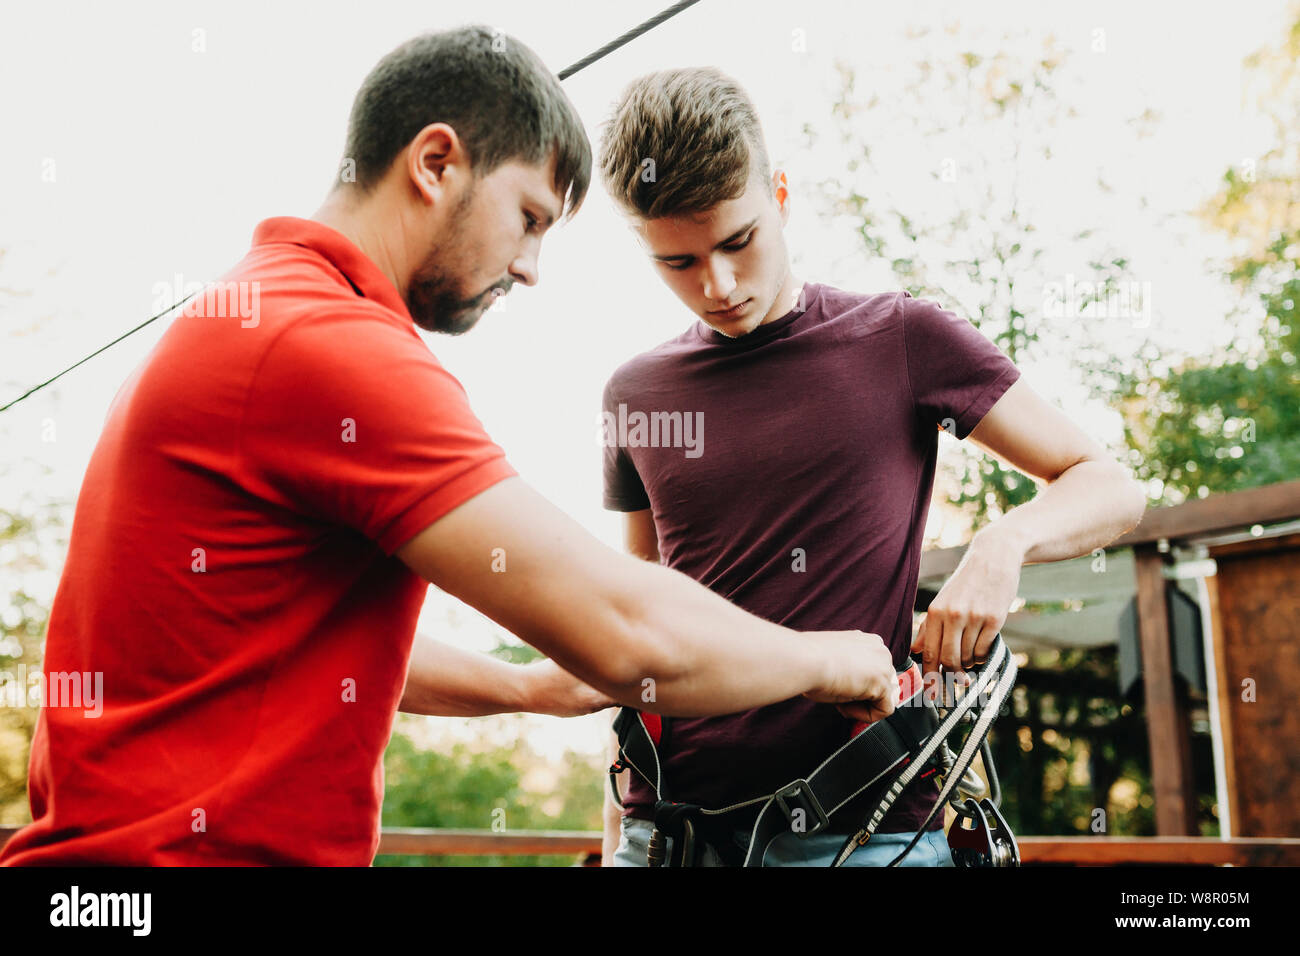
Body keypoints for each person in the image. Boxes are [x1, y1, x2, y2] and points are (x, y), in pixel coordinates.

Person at [0, 29, 900, 867]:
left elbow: (301, 649)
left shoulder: (257, 310)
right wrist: (833, 658)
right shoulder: (333, 347)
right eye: (530, 218)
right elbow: (629, 633)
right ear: (436, 163)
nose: (530, 269)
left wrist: (526, 690)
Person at [596, 67, 1147, 867]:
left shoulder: (900, 338)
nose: (717, 285)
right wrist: (617, 838)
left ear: (779, 194)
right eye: (677, 264)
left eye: (738, 241)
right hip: (668, 833)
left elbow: (1111, 483)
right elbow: (629, 622)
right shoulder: (635, 393)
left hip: (863, 830)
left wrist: (1003, 546)